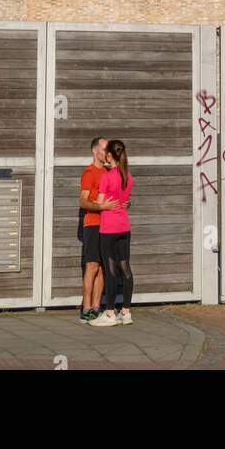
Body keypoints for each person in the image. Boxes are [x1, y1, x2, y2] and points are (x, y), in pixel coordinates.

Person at [89, 138, 134, 326]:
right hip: (124, 226)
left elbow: (100, 203)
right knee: (126, 269)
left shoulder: (106, 176)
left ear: (109, 155)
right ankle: (125, 311)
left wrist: (102, 204)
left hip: (109, 228)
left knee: (110, 270)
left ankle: (109, 313)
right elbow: (125, 201)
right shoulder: (128, 176)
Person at [78, 136, 122, 324]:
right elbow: (83, 200)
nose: (108, 153)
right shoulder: (89, 173)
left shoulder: (108, 173)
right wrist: (101, 206)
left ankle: (97, 307)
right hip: (93, 224)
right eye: (105, 149)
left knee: (104, 267)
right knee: (92, 266)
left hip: (108, 224)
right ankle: (86, 309)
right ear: (95, 151)